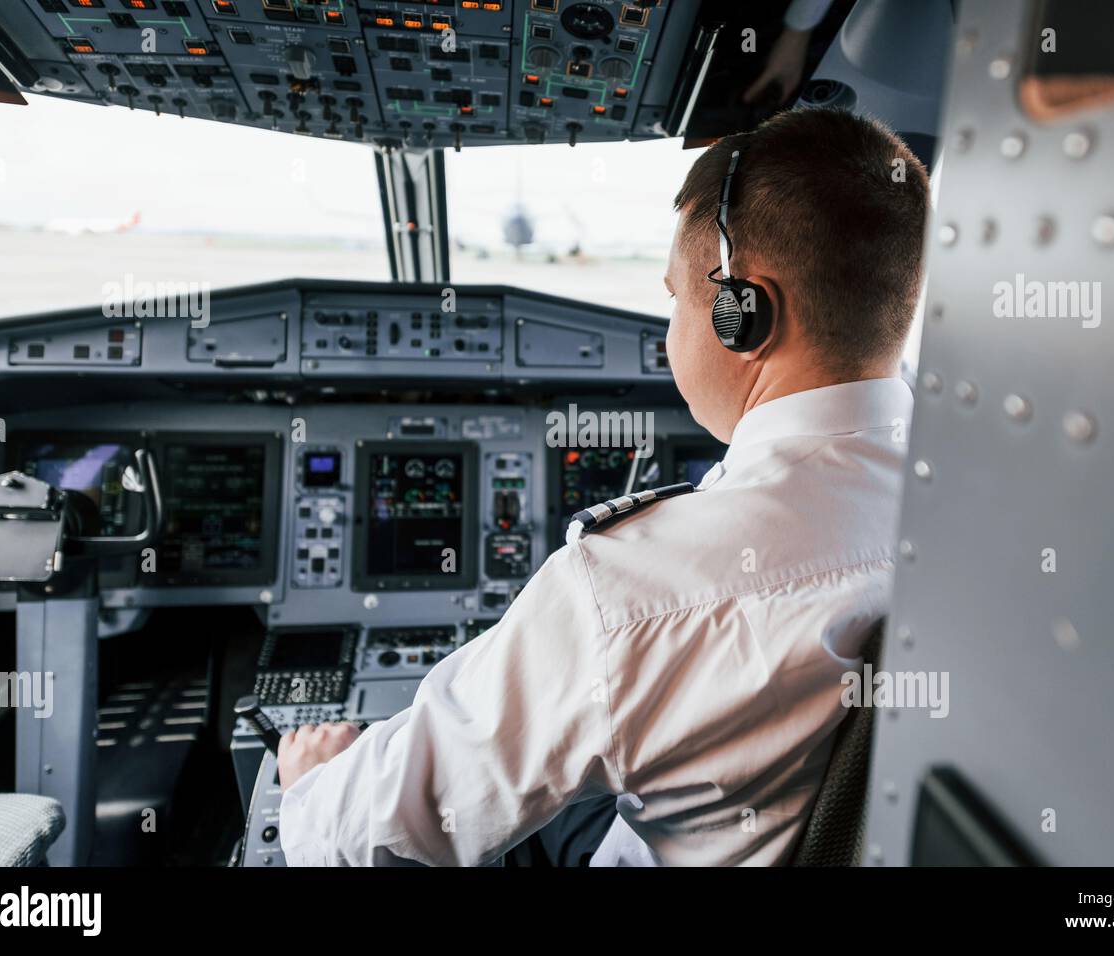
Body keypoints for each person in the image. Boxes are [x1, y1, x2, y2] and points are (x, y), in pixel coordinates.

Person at [277, 106, 931, 866]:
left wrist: (313, 790)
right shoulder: (979, 495)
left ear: (742, 316)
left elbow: (389, 827)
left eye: (676, 297)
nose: (668, 331)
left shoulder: (631, 592)